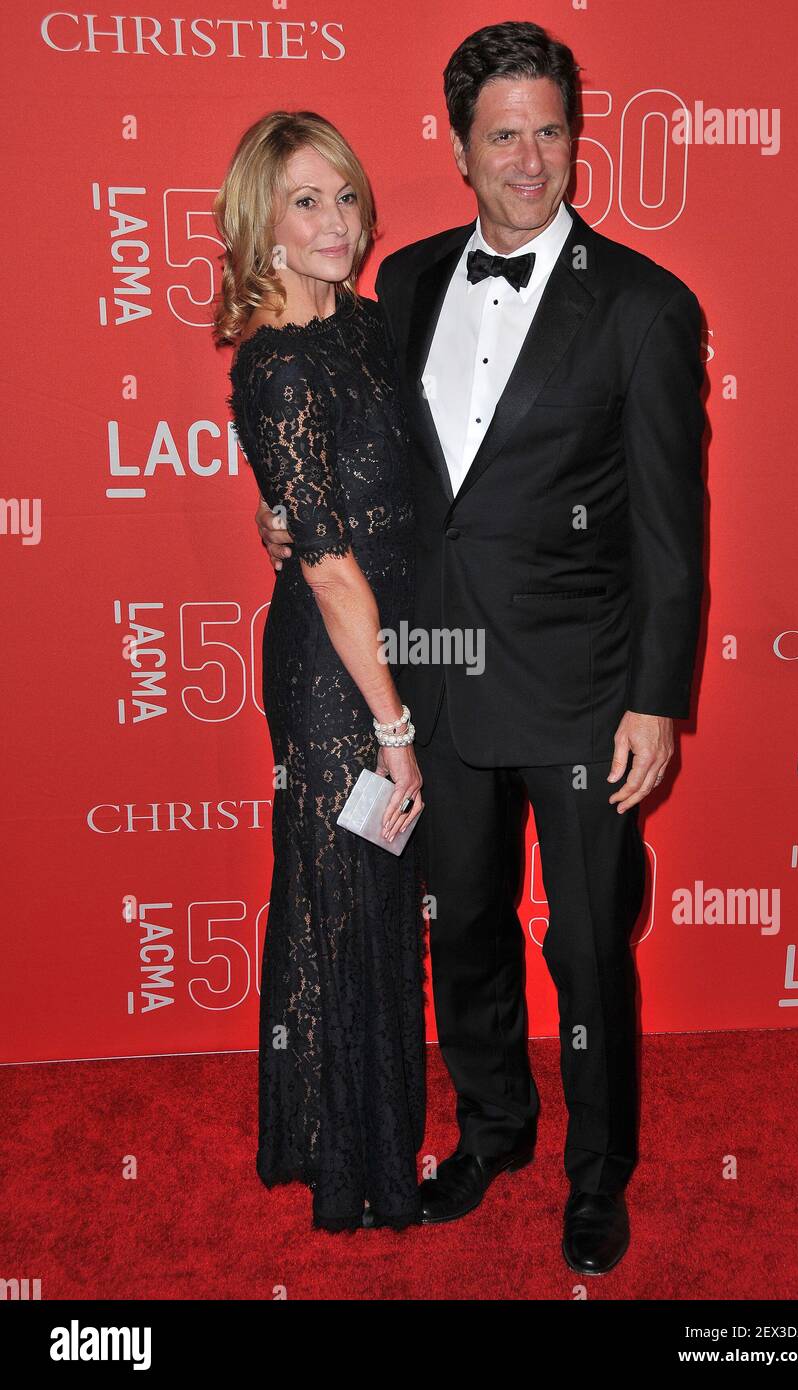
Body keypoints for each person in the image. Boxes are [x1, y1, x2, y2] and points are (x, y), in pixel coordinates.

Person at [256, 21, 706, 1274]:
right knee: (459, 927)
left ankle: (597, 1168)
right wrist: (286, 512)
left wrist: (653, 698)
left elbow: (672, 531)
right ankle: (494, 1127)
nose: (528, 156)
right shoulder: (397, 284)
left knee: (582, 943)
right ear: (457, 147)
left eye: (549, 129)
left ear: (575, 137)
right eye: (501, 132)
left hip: (577, 687)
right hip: (427, 677)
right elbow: (346, 454)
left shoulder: (644, 306)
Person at [213, 110, 426, 1232]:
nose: (334, 220)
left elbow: (364, 491)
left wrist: (279, 509)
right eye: (304, 201)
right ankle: (350, 1163)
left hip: (394, 655)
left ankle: (332, 1125)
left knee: (368, 897)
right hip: (340, 676)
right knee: (339, 896)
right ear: (264, 226)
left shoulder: (371, 328)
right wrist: (392, 727)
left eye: (342, 193)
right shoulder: (278, 367)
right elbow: (333, 569)